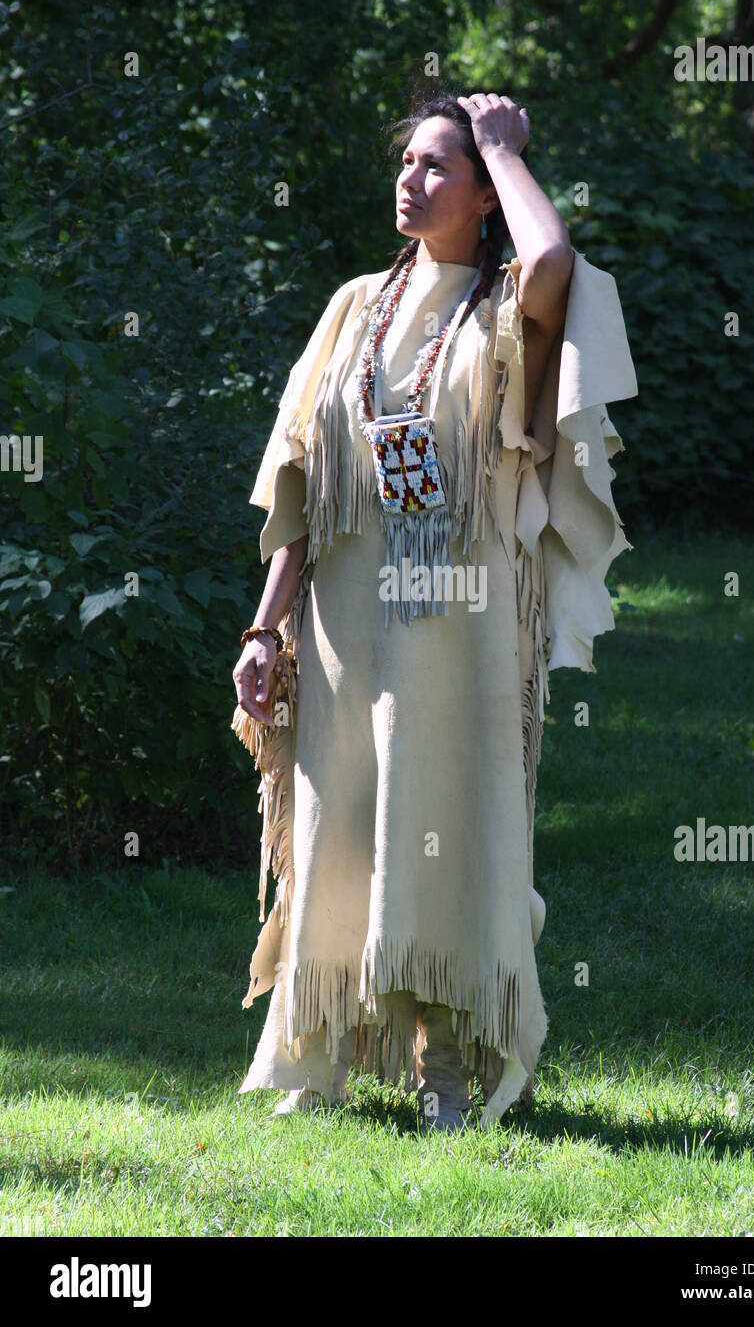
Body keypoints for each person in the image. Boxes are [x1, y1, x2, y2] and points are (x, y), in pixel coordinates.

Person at [230, 90, 638, 1130]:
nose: (410, 181)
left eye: (436, 167)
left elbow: (552, 266)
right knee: (334, 825)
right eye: (405, 163)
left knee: (447, 825)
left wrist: (503, 146)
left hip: (458, 624)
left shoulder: (506, 308)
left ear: (482, 194)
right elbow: (300, 486)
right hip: (345, 617)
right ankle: (313, 1051)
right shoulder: (351, 306)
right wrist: (262, 628)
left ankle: (445, 1066)